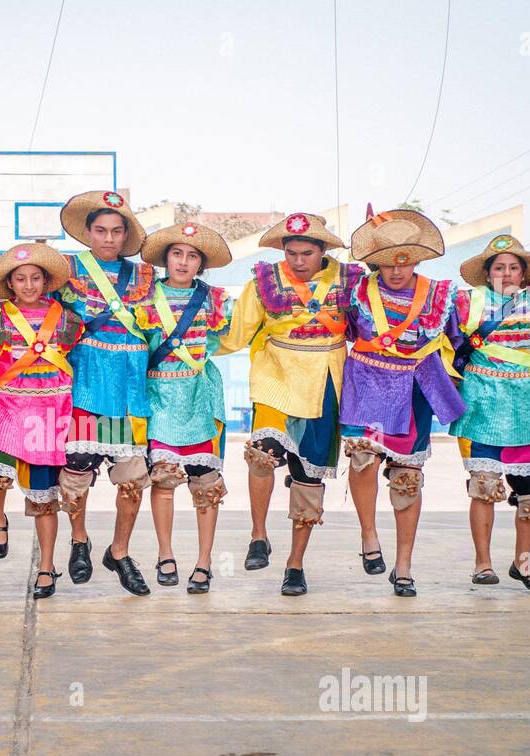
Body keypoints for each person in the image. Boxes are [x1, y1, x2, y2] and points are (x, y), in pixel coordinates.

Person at [217, 212, 366, 596]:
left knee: (308, 475)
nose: (298, 261)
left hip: (327, 380)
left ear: (323, 251)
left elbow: (373, 323)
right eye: (292, 253)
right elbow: (236, 335)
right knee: (262, 455)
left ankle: (295, 564)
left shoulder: (350, 282)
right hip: (276, 375)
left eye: (306, 253)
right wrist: (186, 345)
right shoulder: (263, 282)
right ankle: (258, 534)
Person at [340, 207, 465, 597]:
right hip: (365, 383)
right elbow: (339, 330)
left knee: (407, 478)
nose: (396, 270)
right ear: (374, 260)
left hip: (413, 391)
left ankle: (404, 566)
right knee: (362, 459)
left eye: (405, 261)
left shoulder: (442, 295)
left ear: (418, 258)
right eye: (387, 262)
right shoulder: (357, 290)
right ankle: (368, 534)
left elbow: (459, 345)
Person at [55, 190, 159, 596]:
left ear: (126, 235)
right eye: (101, 230)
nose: (109, 238)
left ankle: (119, 551)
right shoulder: (65, 270)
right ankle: (79, 540)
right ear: (87, 232)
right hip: (86, 383)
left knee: (132, 479)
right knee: (77, 472)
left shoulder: (147, 276)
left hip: (131, 389)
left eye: (117, 231)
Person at [0, 243, 82, 598]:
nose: (29, 285)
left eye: (36, 278)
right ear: (10, 283)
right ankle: (0, 518)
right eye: (20, 278)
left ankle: (47, 567)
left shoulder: (67, 318)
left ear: (47, 280)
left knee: (43, 496)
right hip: (6, 403)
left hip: (50, 409)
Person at [450, 235, 530, 592]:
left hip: (526, 403)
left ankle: (523, 562)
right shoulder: (468, 302)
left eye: (514, 267)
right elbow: (443, 339)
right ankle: (483, 564)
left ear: (524, 274)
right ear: (487, 273)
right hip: (482, 401)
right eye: (499, 268)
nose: (507, 274)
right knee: (483, 487)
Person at [139, 222, 232, 594]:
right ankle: (165, 554)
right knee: (163, 481)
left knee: (206, 485)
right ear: (166, 258)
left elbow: (220, 340)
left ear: (201, 264)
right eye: (177, 254)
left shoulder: (214, 299)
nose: (183, 261)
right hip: (159, 395)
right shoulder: (144, 297)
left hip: (199, 394)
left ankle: (204, 562)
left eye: (192, 256)